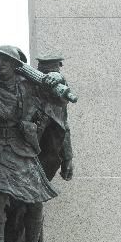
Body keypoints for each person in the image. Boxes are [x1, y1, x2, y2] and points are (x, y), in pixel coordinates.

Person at [0, 46, 58, 242]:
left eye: (4, 61)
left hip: (23, 148)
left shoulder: (28, 88)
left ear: (16, 66)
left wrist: (46, 78)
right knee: (0, 201)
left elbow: (54, 98)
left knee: (35, 202)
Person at [35, 54, 75, 183]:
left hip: (46, 156)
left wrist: (67, 158)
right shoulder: (27, 89)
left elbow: (63, 126)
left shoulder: (58, 101)